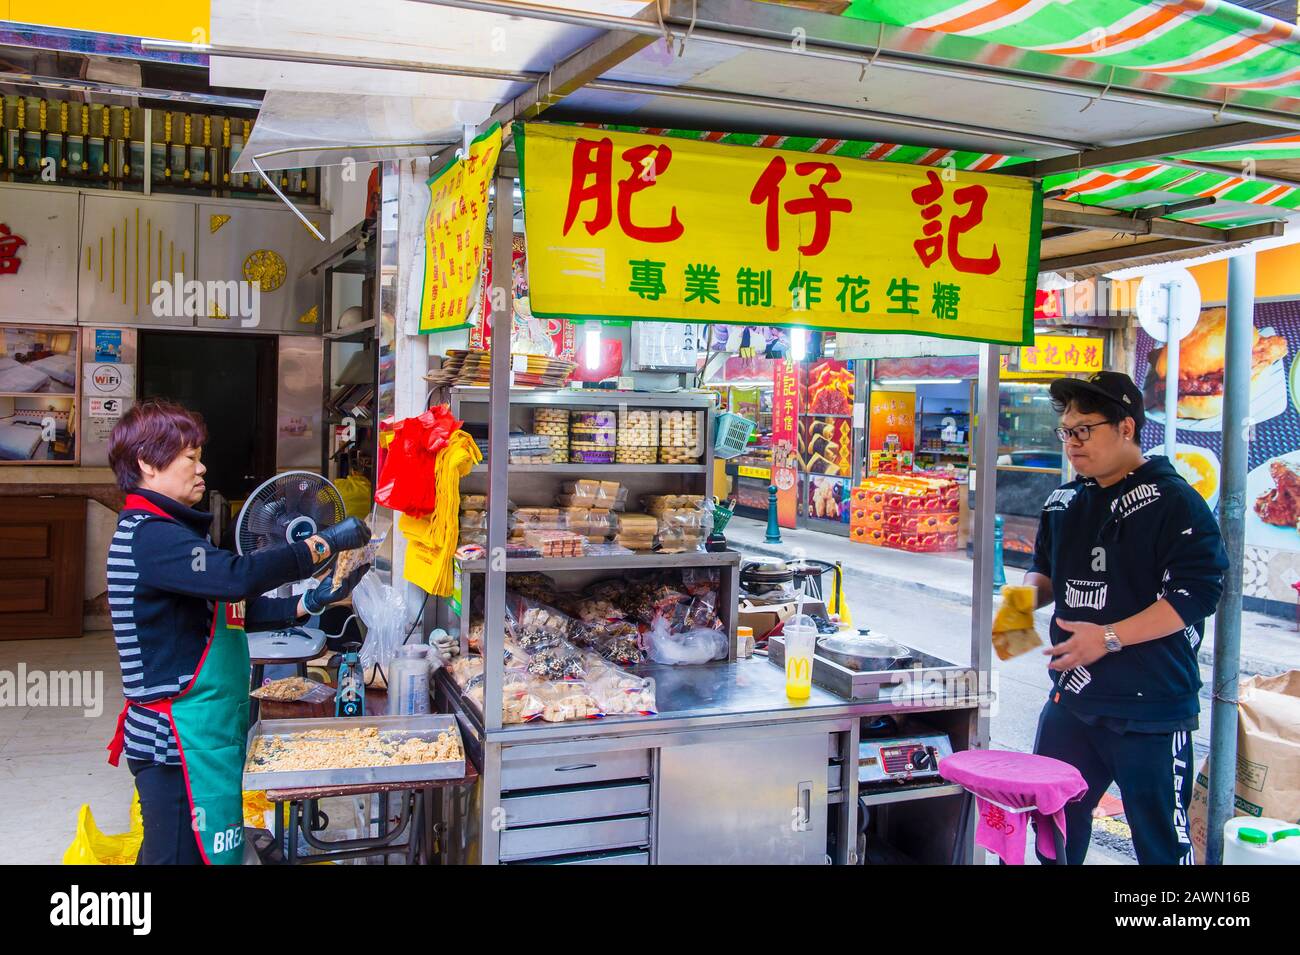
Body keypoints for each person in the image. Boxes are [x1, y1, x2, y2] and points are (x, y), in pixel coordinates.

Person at [104, 399, 372, 864]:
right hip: (175, 741)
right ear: (148, 463)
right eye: (190, 457)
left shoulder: (168, 532)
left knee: (195, 851)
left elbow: (225, 611)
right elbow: (235, 578)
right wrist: (323, 542)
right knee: (175, 856)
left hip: (199, 734)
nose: (202, 467)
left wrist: (309, 601)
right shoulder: (150, 535)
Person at [1024, 371, 1228, 865]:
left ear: (1127, 428)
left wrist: (1108, 638)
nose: (1072, 443)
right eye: (1066, 432)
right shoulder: (1065, 501)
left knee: (1159, 841)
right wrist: (1012, 612)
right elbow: (1045, 574)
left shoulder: (1173, 500)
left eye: (1084, 430)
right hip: (1072, 699)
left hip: (1150, 709)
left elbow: (1198, 592)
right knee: (1053, 824)